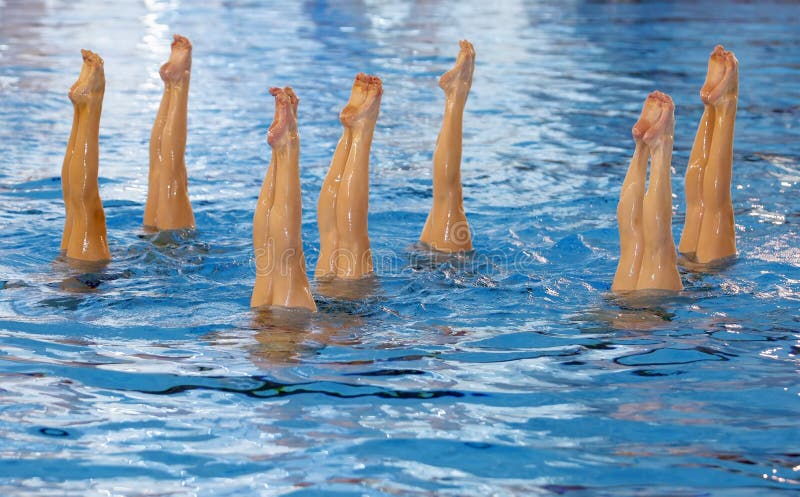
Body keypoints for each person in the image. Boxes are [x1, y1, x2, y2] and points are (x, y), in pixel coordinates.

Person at [251, 87, 316, 311]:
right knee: (268, 262)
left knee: (283, 262)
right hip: (260, 320)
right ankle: (284, 146)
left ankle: (286, 146)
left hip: (287, 327)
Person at [612, 91, 682, 292]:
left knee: (636, 246)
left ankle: (646, 147)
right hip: (639, 302)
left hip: (626, 309)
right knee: (642, 247)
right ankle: (650, 147)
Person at [316, 73, 383, 279]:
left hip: (348, 301)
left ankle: (357, 129)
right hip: (331, 291)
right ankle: (358, 129)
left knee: (339, 241)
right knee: (334, 241)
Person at [679, 45, 739, 263]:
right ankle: (720, 103)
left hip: (691, 272)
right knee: (703, 208)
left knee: (703, 208)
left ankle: (718, 105)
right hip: (701, 274)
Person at [419, 40, 475, 253]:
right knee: (446, 195)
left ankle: (456, 96)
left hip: (445, 264)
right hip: (431, 261)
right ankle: (456, 94)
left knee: (448, 194)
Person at [60, 49, 111, 262]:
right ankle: (86, 106)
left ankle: (88, 106)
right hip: (79, 274)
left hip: (80, 275)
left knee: (81, 208)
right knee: (78, 208)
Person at [144, 34, 196, 231]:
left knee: (163, 171)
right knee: (167, 173)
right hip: (173, 251)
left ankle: (173, 86)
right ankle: (177, 84)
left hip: (161, 247)